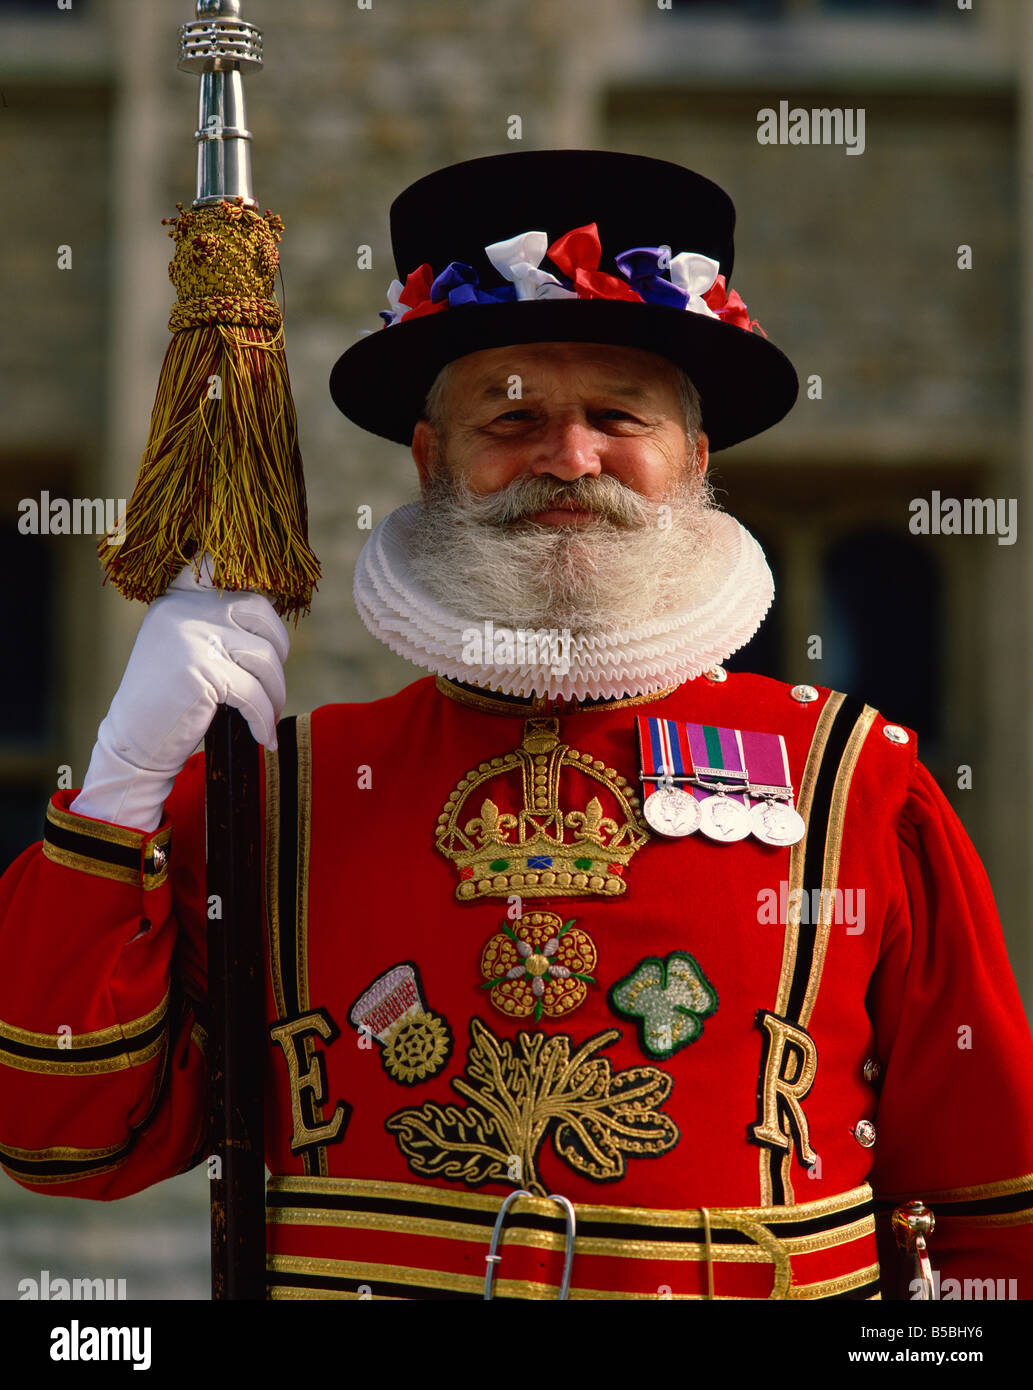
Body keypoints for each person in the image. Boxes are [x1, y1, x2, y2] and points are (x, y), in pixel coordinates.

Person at [1, 150, 1030, 1301]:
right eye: (512, 416)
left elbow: (989, 1211)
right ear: (434, 462)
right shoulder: (288, 790)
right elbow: (64, 1133)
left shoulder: (855, 780)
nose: (567, 456)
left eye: (614, 415)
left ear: (693, 459)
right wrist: (122, 782)